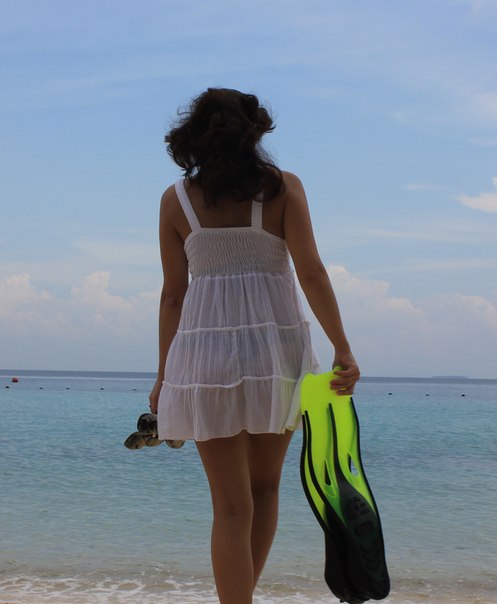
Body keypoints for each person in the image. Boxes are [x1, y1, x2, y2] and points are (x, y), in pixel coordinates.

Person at [148, 88, 360, 604]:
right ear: (254, 133)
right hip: (276, 352)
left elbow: (174, 294)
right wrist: (342, 347)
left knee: (230, 507)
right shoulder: (282, 188)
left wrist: (163, 376)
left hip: (205, 357)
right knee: (264, 490)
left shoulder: (176, 201)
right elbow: (311, 272)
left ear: (193, 137)